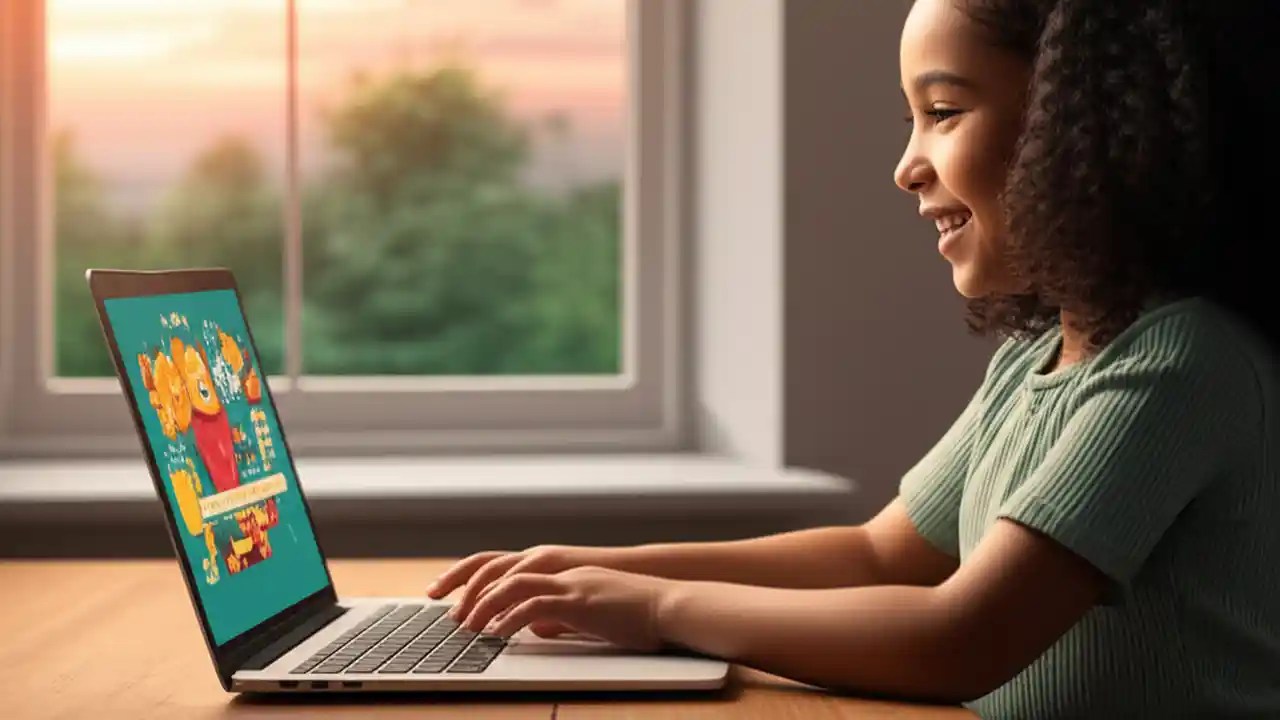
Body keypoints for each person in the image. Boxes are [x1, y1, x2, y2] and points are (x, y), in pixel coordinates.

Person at [427, 0, 1280, 715]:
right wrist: (591, 568)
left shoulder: (1178, 365)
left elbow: (962, 639)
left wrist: (656, 607)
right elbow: (880, 555)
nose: (907, 165)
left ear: (1077, 130)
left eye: (941, 113)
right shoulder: (1036, 360)